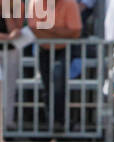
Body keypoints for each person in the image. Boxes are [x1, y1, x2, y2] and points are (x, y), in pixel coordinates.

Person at [33, 0, 81, 134]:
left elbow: (76, 32)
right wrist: (62, 32)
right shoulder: (36, 3)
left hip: (63, 48)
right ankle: (53, 122)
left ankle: (60, 121)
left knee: (59, 84)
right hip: (44, 49)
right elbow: (35, 30)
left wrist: (48, 29)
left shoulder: (70, 4)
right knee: (48, 86)